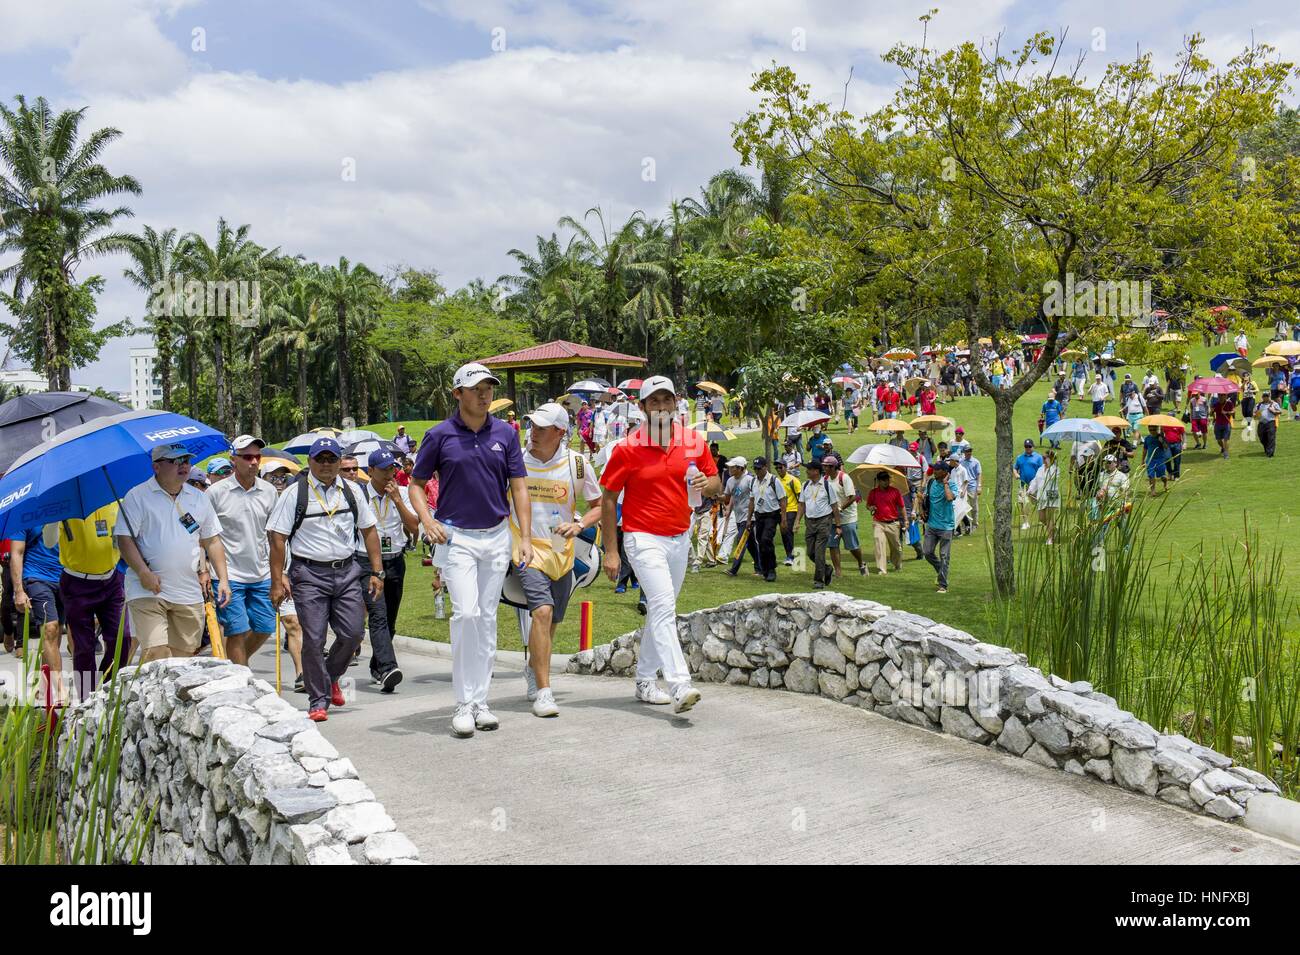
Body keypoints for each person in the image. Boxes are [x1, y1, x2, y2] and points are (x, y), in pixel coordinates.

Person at [408, 362, 532, 737]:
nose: (484, 394)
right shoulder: (439, 435)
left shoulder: (506, 434)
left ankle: (481, 701)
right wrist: (427, 521)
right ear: (457, 393)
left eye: (489, 388)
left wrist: (524, 537)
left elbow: (520, 488)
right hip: (455, 537)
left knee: (487, 618)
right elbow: (416, 485)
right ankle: (463, 702)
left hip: (496, 535)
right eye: (476, 388)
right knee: (465, 614)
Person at [599, 375, 719, 713]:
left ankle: (645, 680)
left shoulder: (694, 442)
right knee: (664, 605)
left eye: (667, 400)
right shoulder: (627, 448)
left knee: (660, 610)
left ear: (676, 404)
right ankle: (680, 684)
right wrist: (611, 550)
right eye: (655, 402)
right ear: (643, 408)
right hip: (642, 536)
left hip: (680, 537)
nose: (662, 407)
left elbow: (714, 483)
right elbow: (608, 498)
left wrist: (706, 482)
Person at [268, 437, 383, 722]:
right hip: (308, 574)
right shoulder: (295, 494)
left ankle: (330, 676)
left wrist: (377, 571)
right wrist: (278, 577)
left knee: (353, 633)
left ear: (339, 461)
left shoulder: (353, 491)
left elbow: (369, 530)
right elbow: (277, 538)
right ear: (310, 462)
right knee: (315, 637)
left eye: (332, 459)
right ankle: (318, 700)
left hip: (346, 571)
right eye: (320, 459)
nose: (326, 465)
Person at [511, 403, 602, 717]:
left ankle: (534, 668)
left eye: (540, 428)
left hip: (560, 548)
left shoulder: (577, 465)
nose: (532, 433)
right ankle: (544, 693)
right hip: (524, 547)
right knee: (543, 611)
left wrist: (578, 525)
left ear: (560, 432)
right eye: (531, 426)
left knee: (551, 623)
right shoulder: (516, 461)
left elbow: (600, 505)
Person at [117, 443, 231, 664]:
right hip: (147, 590)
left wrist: (223, 579)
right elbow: (124, 540)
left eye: (186, 461)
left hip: (188, 591)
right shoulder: (137, 496)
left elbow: (212, 541)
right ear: (156, 467)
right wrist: (142, 572)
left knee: (182, 659)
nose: (184, 466)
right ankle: (148, 698)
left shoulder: (199, 498)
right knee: (156, 653)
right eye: (175, 461)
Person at [206, 435, 279, 668]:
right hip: (228, 575)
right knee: (237, 630)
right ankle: (242, 680)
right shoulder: (216, 493)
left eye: (257, 456)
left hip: (261, 571)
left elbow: (274, 536)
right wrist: (204, 570)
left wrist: (281, 573)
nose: (254, 462)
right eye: (247, 457)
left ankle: (234, 668)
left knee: (265, 626)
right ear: (233, 460)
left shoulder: (269, 491)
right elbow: (205, 536)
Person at [353, 449, 419, 693]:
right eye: (384, 469)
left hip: (395, 561)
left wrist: (398, 501)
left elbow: (414, 527)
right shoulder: (359, 495)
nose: (390, 473)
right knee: (378, 614)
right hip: (366, 563)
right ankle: (388, 668)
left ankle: (376, 665)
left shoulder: (401, 493)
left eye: (392, 468)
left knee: (390, 620)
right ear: (370, 471)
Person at [9, 524, 68, 704]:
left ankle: (42, 685)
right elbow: (16, 553)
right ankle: (60, 689)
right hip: (36, 577)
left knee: (54, 635)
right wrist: (19, 591)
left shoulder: (66, 509)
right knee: (49, 629)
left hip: (65, 577)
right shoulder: (26, 515)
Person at [794, 459, 837, 589]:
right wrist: (797, 521)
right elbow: (801, 504)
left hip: (824, 521)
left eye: (809, 469)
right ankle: (827, 568)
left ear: (816, 471)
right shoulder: (805, 485)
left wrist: (839, 526)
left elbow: (834, 506)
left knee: (819, 552)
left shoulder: (827, 485)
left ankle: (819, 580)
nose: (806, 471)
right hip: (810, 522)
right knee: (810, 552)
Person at [823, 455, 867, 576]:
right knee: (832, 545)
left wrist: (840, 508)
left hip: (848, 518)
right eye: (824, 466)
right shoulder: (825, 479)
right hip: (832, 519)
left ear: (832, 467)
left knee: (852, 546)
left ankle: (861, 563)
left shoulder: (844, 477)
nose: (824, 468)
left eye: (826, 466)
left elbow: (852, 497)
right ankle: (838, 572)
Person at [922, 459, 959, 594]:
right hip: (931, 525)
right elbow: (926, 499)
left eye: (937, 470)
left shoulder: (952, 485)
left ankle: (943, 585)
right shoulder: (931, 482)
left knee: (944, 556)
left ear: (944, 472)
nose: (934, 471)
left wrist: (945, 484)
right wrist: (922, 510)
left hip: (946, 527)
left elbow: (949, 498)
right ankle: (940, 571)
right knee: (927, 552)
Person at [722, 457, 759, 577]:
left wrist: (751, 517)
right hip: (738, 517)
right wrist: (716, 497)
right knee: (752, 544)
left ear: (740, 468)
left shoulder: (750, 480)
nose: (729, 469)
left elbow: (755, 498)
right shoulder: (730, 481)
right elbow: (727, 498)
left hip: (749, 517)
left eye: (732, 467)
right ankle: (760, 567)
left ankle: (734, 569)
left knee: (741, 541)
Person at [750, 457, 784, 583]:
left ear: (765, 467)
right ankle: (765, 568)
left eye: (759, 468)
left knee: (766, 540)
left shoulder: (773, 480)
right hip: (759, 515)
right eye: (755, 469)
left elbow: (783, 499)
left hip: (772, 515)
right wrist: (749, 518)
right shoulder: (754, 481)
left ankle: (771, 569)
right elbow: (752, 500)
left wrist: (784, 519)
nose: (757, 471)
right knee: (760, 542)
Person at [865, 470, 906, 575]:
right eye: (883, 480)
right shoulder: (873, 492)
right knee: (879, 544)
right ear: (878, 481)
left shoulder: (895, 491)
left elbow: (902, 507)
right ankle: (882, 569)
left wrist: (906, 520)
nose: (886, 482)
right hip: (878, 523)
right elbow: (868, 505)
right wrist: (871, 508)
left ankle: (897, 564)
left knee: (896, 547)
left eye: (887, 479)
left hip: (893, 523)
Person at [1030, 449, 1062, 544]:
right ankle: (1054, 529)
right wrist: (1030, 490)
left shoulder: (1055, 469)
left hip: (1052, 495)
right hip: (1041, 496)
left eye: (1045, 458)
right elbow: (1035, 480)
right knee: (1042, 518)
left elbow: (1052, 478)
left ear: (1050, 458)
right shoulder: (1040, 469)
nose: (1043, 459)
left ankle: (1050, 538)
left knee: (1049, 517)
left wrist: (1050, 465)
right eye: (1042, 457)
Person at [774, 459, 801, 566]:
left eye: (781, 467)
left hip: (791, 509)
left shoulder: (793, 480)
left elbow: (800, 497)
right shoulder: (775, 480)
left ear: (786, 467)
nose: (779, 469)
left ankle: (791, 556)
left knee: (787, 531)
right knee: (783, 533)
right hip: (778, 509)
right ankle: (788, 555)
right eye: (777, 468)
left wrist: (799, 514)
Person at [1012, 439, 1044, 531]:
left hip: (1035, 485)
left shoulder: (1038, 457)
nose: (1028, 448)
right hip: (1023, 485)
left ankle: (1042, 519)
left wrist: (1037, 480)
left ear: (1033, 446)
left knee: (1039, 503)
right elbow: (1015, 468)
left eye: (1029, 446)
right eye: (1026, 447)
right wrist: (1016, 474)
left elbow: (1042, 470)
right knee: (1022, 503)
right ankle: (1025, 523)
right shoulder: (1020, 458)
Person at [1140, 426, 1170, 495]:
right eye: (1150, 430)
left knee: (1163, 476)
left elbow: (1166, 447)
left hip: (1160, 459)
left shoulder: (1161, 437)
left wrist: (1162, 441)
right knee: (1151, 475)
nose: (1152, 431)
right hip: (1150, 460)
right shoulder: (1147, 438)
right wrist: (1142, 460)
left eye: (1154, 430)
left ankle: (1165, 484)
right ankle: (1153, 490)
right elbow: (1145, 449)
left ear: (1157, 429)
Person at [961, 446, 983, 531]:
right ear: (964, 452)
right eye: (967, 451)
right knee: (962, 507)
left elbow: (979, 474)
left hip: (972, 486)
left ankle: (974, 524)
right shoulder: (961, 461)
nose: (969, 453)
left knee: (974, 507)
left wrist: (979, 486)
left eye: (970, 451)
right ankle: (965, 525)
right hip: (963, 487)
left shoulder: (976, 462)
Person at [1211, 392, 1237, 459]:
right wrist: (1211, 411)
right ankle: (1223, 447)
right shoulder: (1216, 404)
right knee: (1219, 440)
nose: (1221, 397)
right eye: (1220, 395)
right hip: (1218, 424)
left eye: (1223, 395)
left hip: (1226, 424)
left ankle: (1226, 453)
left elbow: (1233, 411)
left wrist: (1226, 412)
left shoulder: (1229, 403)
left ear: (1226, 396)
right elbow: (1211, 413)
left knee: (1226, 439)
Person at [1256, 392, 1283, 458]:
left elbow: (1280, 411)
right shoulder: (1258, 405)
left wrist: (1273, 411)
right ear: (1262, 397)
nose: (1266, 397)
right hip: (1261, 423)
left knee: (1271, 438)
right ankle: (1267, 448)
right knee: (1261, 437)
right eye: (1264, 396)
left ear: (1269, 397)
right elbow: (1255, 413)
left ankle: (1270, 453)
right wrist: (1256, 415)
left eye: (1267, 396)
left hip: (1271, 422)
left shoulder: (1274, 404)